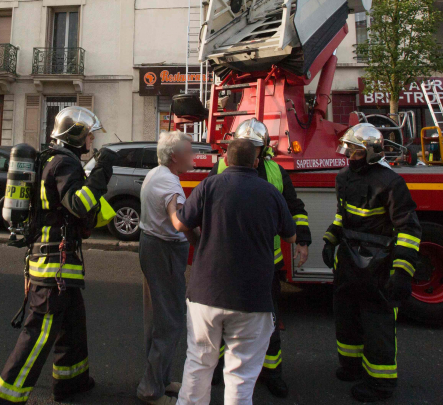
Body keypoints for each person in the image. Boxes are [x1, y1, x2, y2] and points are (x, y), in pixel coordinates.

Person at [0, 106, 118, 404]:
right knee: (38, 334)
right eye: (89, 135)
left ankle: (72, 382)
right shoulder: (64, 164)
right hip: (53, 267)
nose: (92, 141)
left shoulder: (51, 159)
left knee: (73, 327)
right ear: (76, 136)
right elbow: (79, 204)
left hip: (58, 264)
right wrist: (101, 171)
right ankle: (5, 399)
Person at [167, 138, 297, 405]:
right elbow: (292, 236)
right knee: (240, 376)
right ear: (257, 162)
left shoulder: (209, 185)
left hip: (206, 295)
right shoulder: (270, 192)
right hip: (252, 299)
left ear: (226, 160)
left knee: (198, 363)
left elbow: (181, 224)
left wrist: (172, 208)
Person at [207, 119, 310, 398]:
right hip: (228, 260)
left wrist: (302, 240)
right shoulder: (219, 168)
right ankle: (216, 366)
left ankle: (271, 372)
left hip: (267, 262)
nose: (251, 152)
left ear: (264, 149)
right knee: (221, 317)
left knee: (269, 320)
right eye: (247, 146)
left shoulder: (276, 171)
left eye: (256, 147)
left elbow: (295, 207)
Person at [321, 123, 422, 403]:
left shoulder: (391, 183)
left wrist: (402, 270)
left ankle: (380, 383)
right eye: (348, 150)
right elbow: (343, 216)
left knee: (377, 322)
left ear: (371, 152)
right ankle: (351, 366)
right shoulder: (343, 178)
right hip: (349, 259)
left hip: (379, 262)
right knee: (346, 314)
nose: (348, 156)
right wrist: (330, 239)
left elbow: (408, 229)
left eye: (355, 151)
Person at [136, 131, 197, 405]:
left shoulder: (157, 173)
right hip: (165, 252)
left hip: (152, 247)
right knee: (170, 322)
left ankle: (160, 379)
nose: (193, 156)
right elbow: (178, 222)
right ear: (175, 156)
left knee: (158, 320)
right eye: (189, 151)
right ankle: (151, 391)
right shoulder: (171, 185)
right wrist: (202, 243)